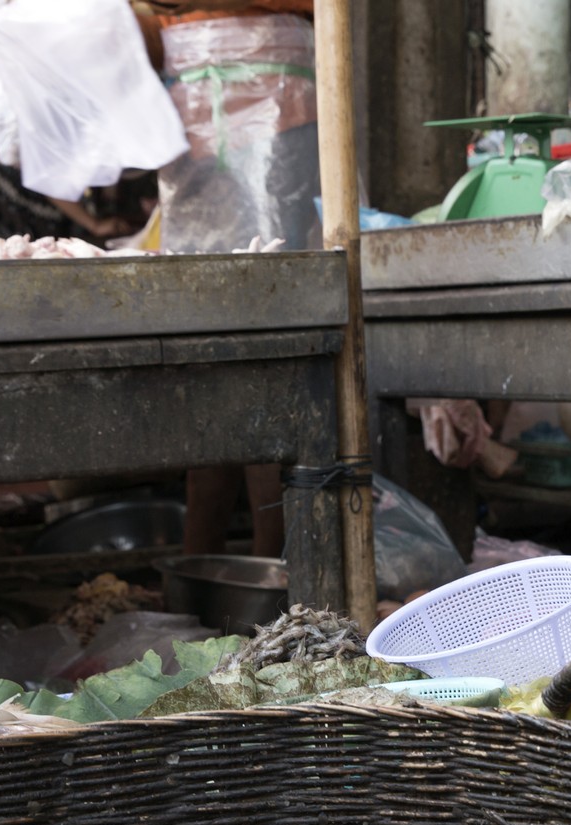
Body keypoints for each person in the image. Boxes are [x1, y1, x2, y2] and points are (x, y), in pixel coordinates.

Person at [139, 0, 318, 558]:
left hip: (274, 101)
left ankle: (273, 581)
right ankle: (204, 579)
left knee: (262, 344)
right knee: (203, 348)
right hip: (196, 100)